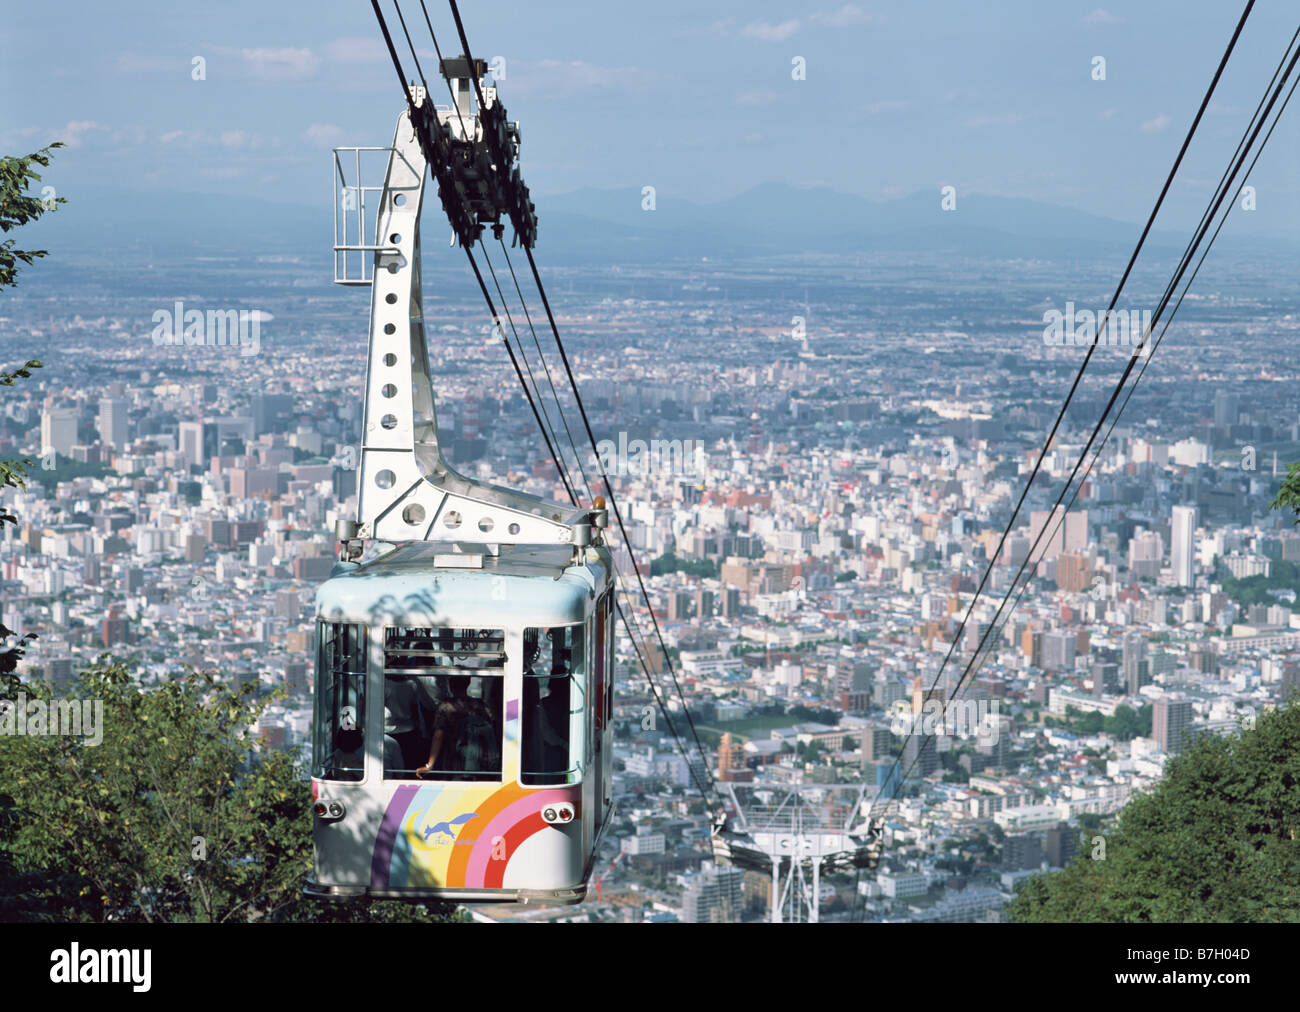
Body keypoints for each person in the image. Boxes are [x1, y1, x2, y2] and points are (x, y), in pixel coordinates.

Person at [416, 675, 498, 778]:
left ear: (450, 685)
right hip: (480, 759)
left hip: (454, 760)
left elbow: (438, 736)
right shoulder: (480, 705)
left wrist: (430, 765)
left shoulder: (446, 707)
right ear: (468, 684)